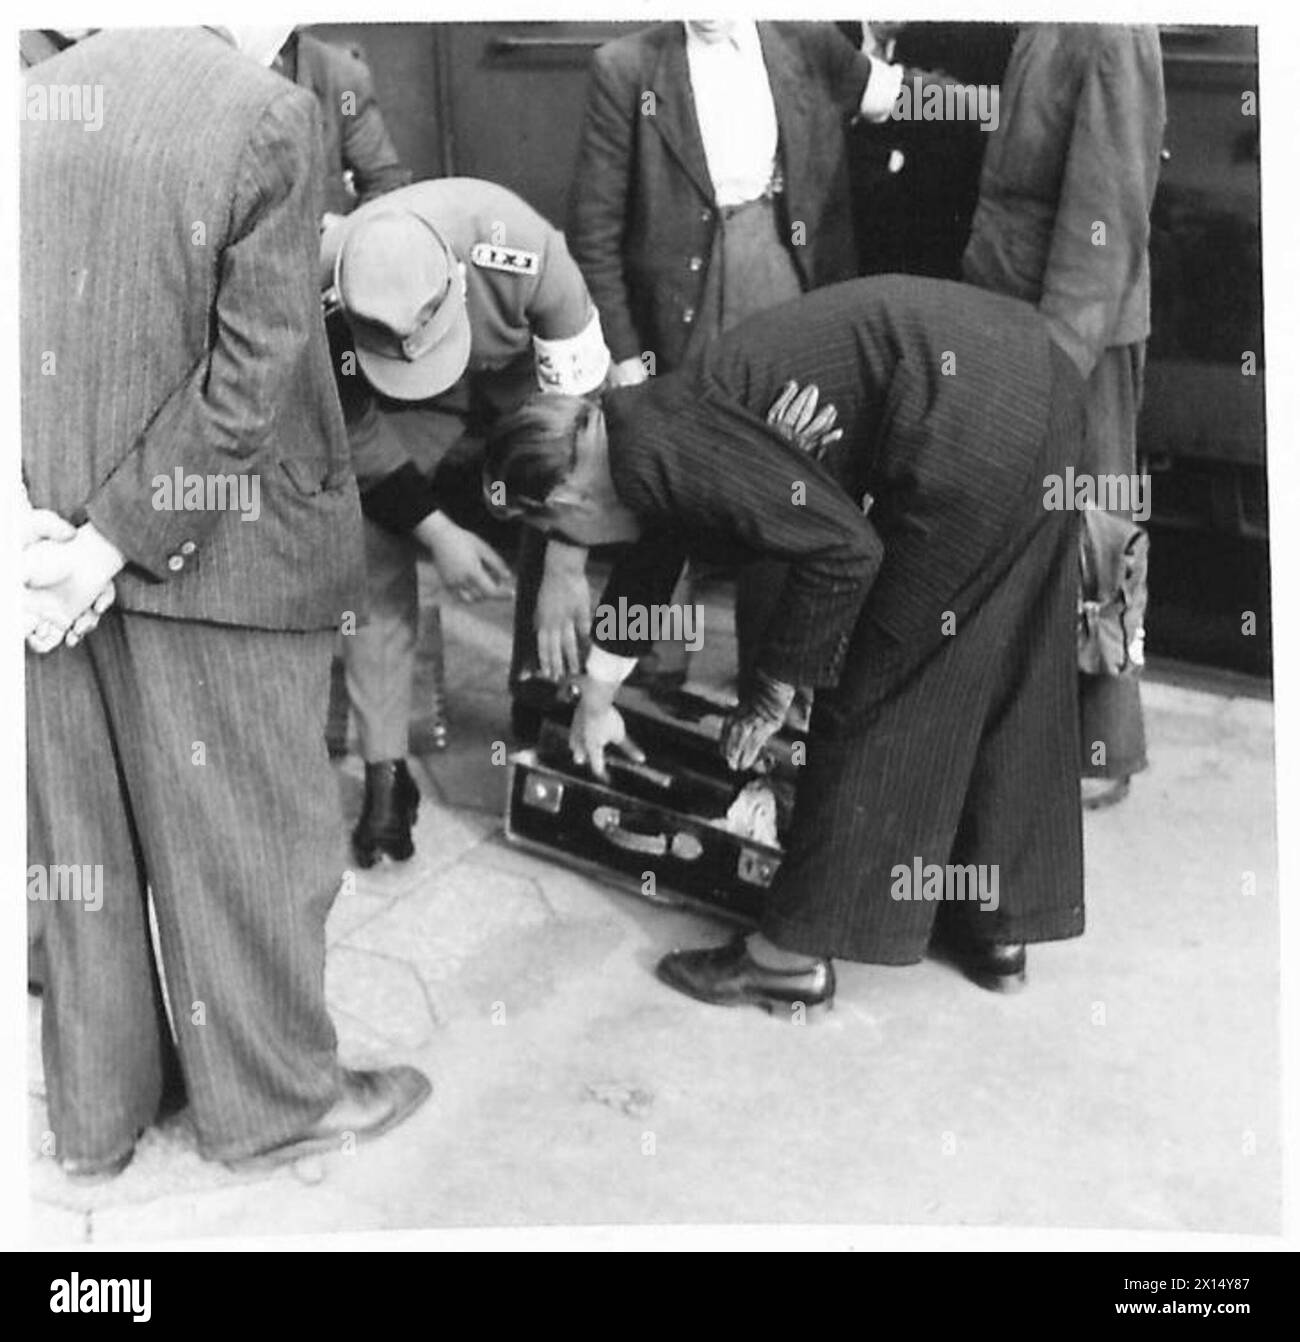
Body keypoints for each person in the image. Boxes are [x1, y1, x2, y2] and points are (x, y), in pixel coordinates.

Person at [22, 24, 430, 1181]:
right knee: (255, 843)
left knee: (84, 854)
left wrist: (35, 538)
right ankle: (273, 1104)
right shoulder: (265, 113)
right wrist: (114, 543)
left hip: (47, 556)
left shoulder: (32, 98)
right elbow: (249, 382)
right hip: (211, 559)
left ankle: (98, 1119)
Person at [485, 275, 1088, 1014]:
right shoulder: (638, 427)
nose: (569, 548)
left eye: (553, 535)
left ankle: (788, 959)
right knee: (1006, 656)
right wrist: (598, 697)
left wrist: (775, 687)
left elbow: (843, 551)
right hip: (1044, 383)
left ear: (566, 500)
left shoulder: (655, 451)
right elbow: (656, 552)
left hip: (965, 426)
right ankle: (995, 921)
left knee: (876, 690)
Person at [565, 18, 905, 696]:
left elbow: (889, 94)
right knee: (668, 486)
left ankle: (775, 677)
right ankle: (645, 684)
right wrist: (626, 359)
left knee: (790, 471)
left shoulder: (805, 42)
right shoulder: (625, 68)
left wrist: (990, 106)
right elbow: (593, 232)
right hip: (680, 306)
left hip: (783, 279)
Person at [322, 177, 610, 865]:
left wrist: (568, 567)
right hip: (409, 406)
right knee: (371, 543)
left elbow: (580, 435)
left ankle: (543, 706)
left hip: (524, 399)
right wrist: (437, 532)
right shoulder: (326, 278)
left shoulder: (530, 254)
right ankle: (386, 776)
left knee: (560, 534)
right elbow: (354, 433)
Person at [961, 23, 1166, 810]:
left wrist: (1057, 361)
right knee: (1041, 529)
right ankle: (1046, 732)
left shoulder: (1110, 29)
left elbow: (1106, 218)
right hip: (1020, 307)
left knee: (1095, 531)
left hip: (1077, 327)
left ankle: (1100, 744)